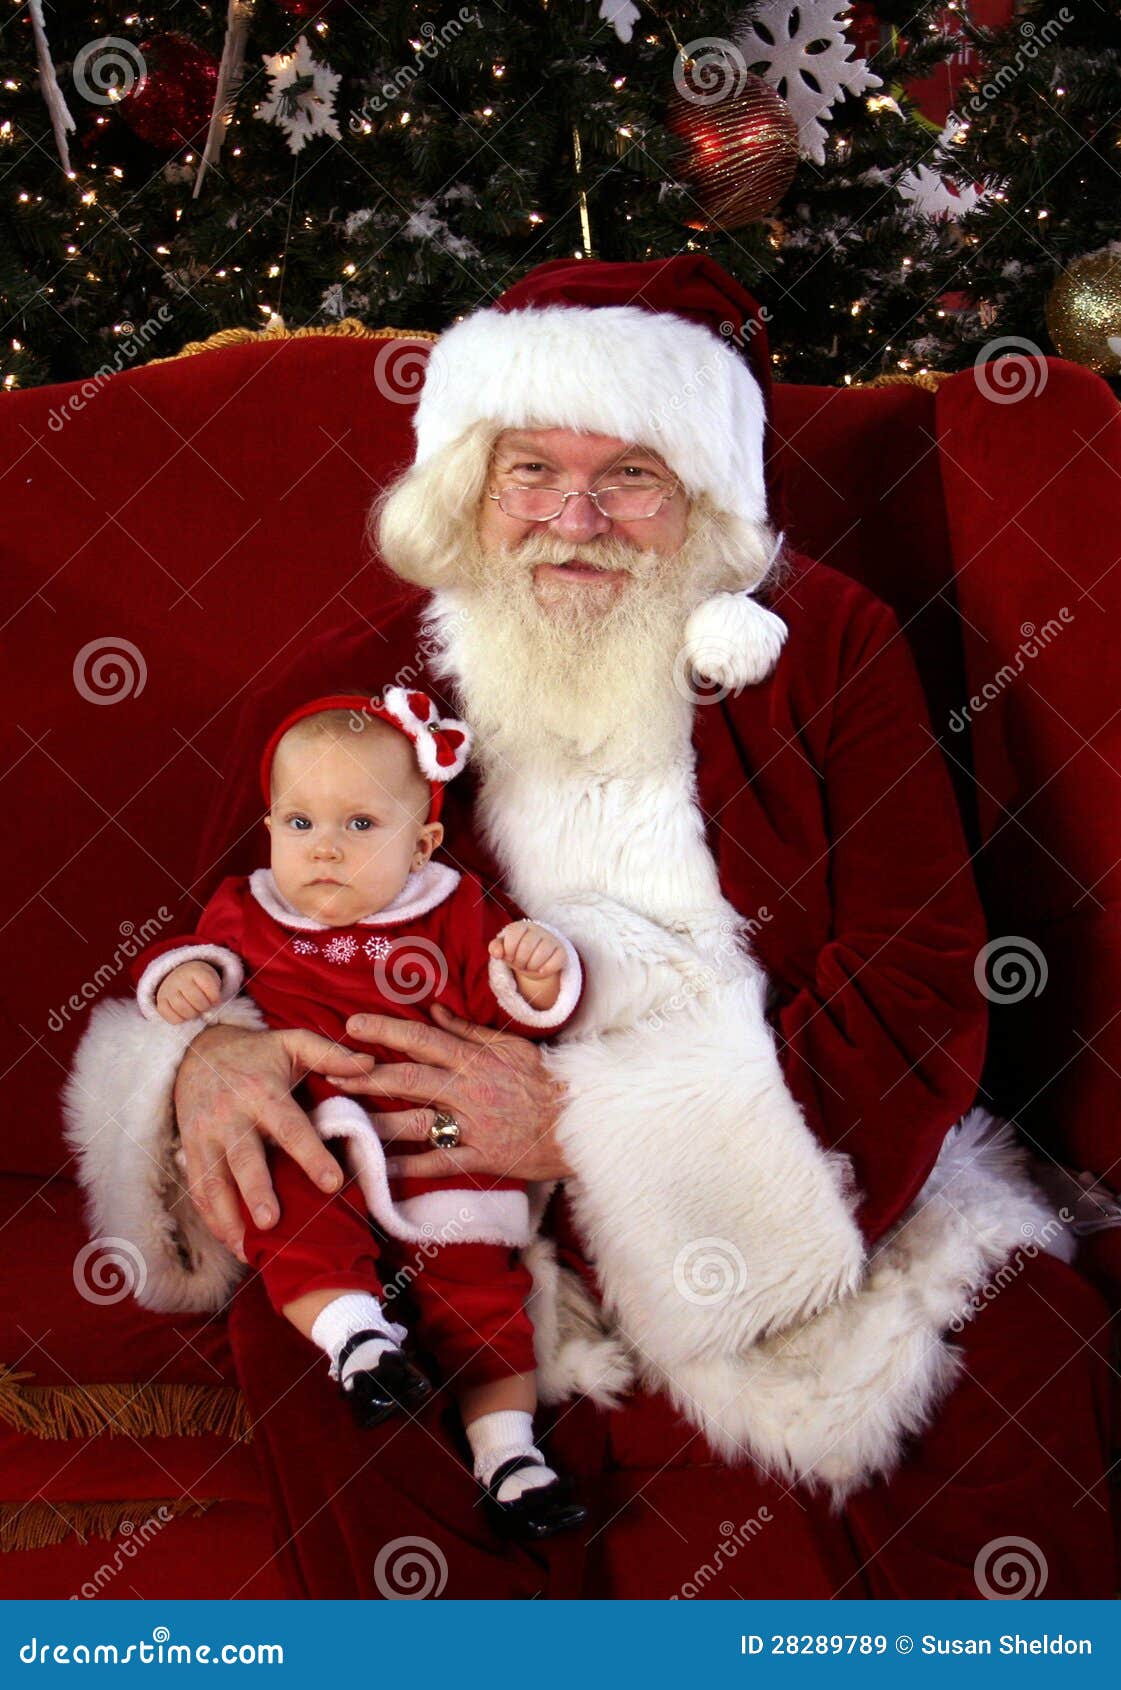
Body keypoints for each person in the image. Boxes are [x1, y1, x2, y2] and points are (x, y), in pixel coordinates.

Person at [63, 254, 1117, 1599]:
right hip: (427, 1184)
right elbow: (228, 934)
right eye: (529, 471)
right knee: (334, 1367)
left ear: (702, 499)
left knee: (1021, 1359)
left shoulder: (829, 644)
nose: (576, 516)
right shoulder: (355, 685)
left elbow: (917, 971)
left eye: (630, 472)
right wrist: (203, 1058)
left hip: (791, 1153)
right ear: (470, 485)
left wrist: (591, 1132)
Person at [125, 683, 588, 1541]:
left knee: (484, 1293)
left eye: (359, 826)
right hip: (316, 1132)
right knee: (287, 1219)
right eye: (299, 824)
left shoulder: (454, 910)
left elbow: (514, 1013)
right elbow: (193, 966)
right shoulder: (249, 911)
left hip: (442, 1138)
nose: (324, 850)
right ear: (268, 830)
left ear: (424, 844)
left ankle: (509, 1453)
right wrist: (181, 977)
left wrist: (535, 972)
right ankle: (357, 1341)